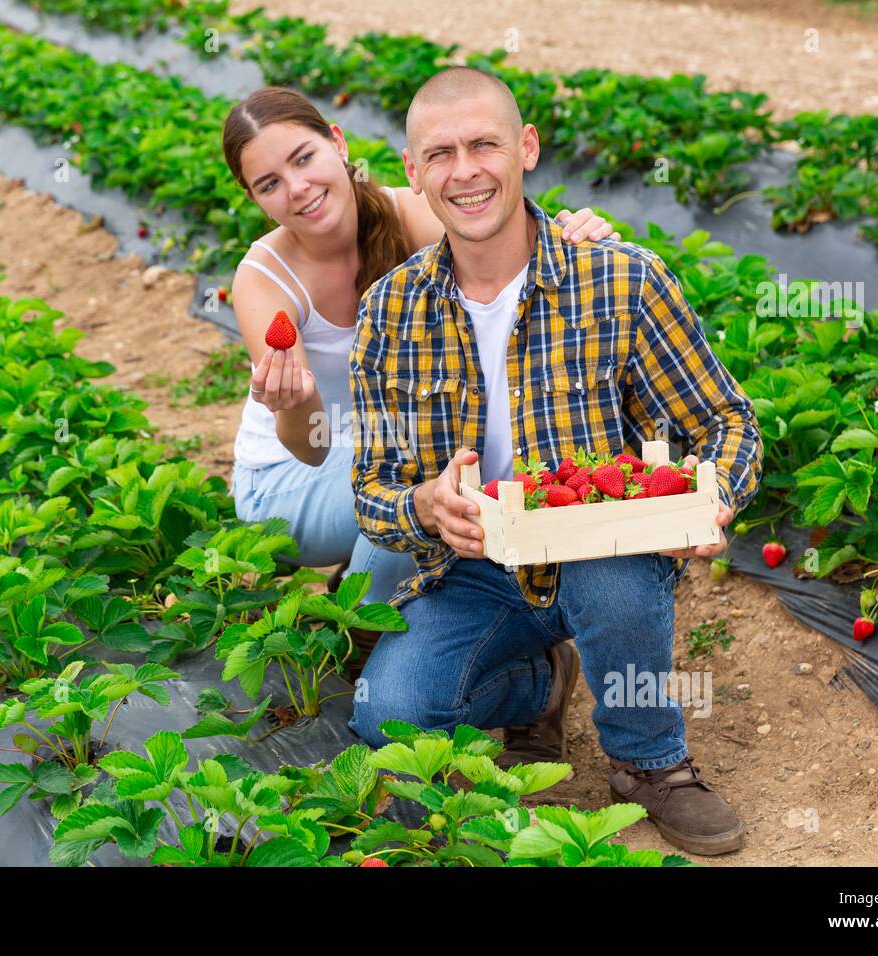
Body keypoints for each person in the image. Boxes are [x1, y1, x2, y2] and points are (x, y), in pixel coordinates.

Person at [348, 67, 763, 856]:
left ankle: (651, 763)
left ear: (526, 148)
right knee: (386, 715)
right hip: (473, 570)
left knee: (609, 571)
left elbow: (726, 421)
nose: (464, 170)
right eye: (439, 153)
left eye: (484, 145)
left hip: (600, 544)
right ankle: (542, 684)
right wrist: (426, 506)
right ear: (412, 171)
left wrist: (715, 501)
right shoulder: (390, 311)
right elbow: (371, 486)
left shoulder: (622, 281)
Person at [221, 87, 616, 607]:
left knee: (455, 447)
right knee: (433, 461)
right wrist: (295, 400)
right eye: (270, 183)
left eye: (304, 158)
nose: (297, 188)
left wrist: (573, 234)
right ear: (255, 199)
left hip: (385, 446)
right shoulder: (265, 281)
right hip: (290, 482)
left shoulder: (412, 216)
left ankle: (483, 601)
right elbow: (310, 447)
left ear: (337, 144)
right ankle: (373, 612)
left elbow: (513, 247)